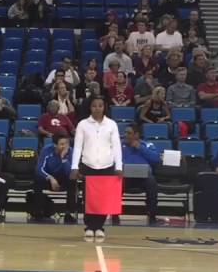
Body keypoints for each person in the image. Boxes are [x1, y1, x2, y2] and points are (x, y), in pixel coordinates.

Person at [70, 96, 123, 240]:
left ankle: (99, 226)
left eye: (100, 105)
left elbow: (116, 146)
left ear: (104, 107)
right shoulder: (83, 125)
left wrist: (119, 166)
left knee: (103, 199)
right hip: (89, 165)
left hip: (106, 166)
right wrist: (74, 167)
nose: (97, 108)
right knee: (88, 198)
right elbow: (77, 147)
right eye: (94, 106)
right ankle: (89, 226)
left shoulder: (111, 124)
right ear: (90, 107)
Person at [121, 126, 161, 224]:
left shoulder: (147, 145)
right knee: (116, 182)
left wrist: (140, 148)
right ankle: (114, 214)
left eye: (129, 133)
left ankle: (152, 215)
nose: (125, 135)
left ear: (136, 135)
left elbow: (156, 159)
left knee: (151, 182)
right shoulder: (120, 146)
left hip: (143, 179)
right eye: (125, 132)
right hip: (125, 178)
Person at [34, 134, 77, 224]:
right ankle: (38, 212)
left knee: (72, 180)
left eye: (66, 143)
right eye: (62, 144)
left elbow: (69, 172)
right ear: (55, 145)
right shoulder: (46, 150)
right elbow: (39, 169)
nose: (65, 146)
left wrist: (63, 158)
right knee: (38, 179)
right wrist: (50, 178)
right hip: (49, 177)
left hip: (64, 178)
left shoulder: (70, 151)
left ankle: (69, 213)